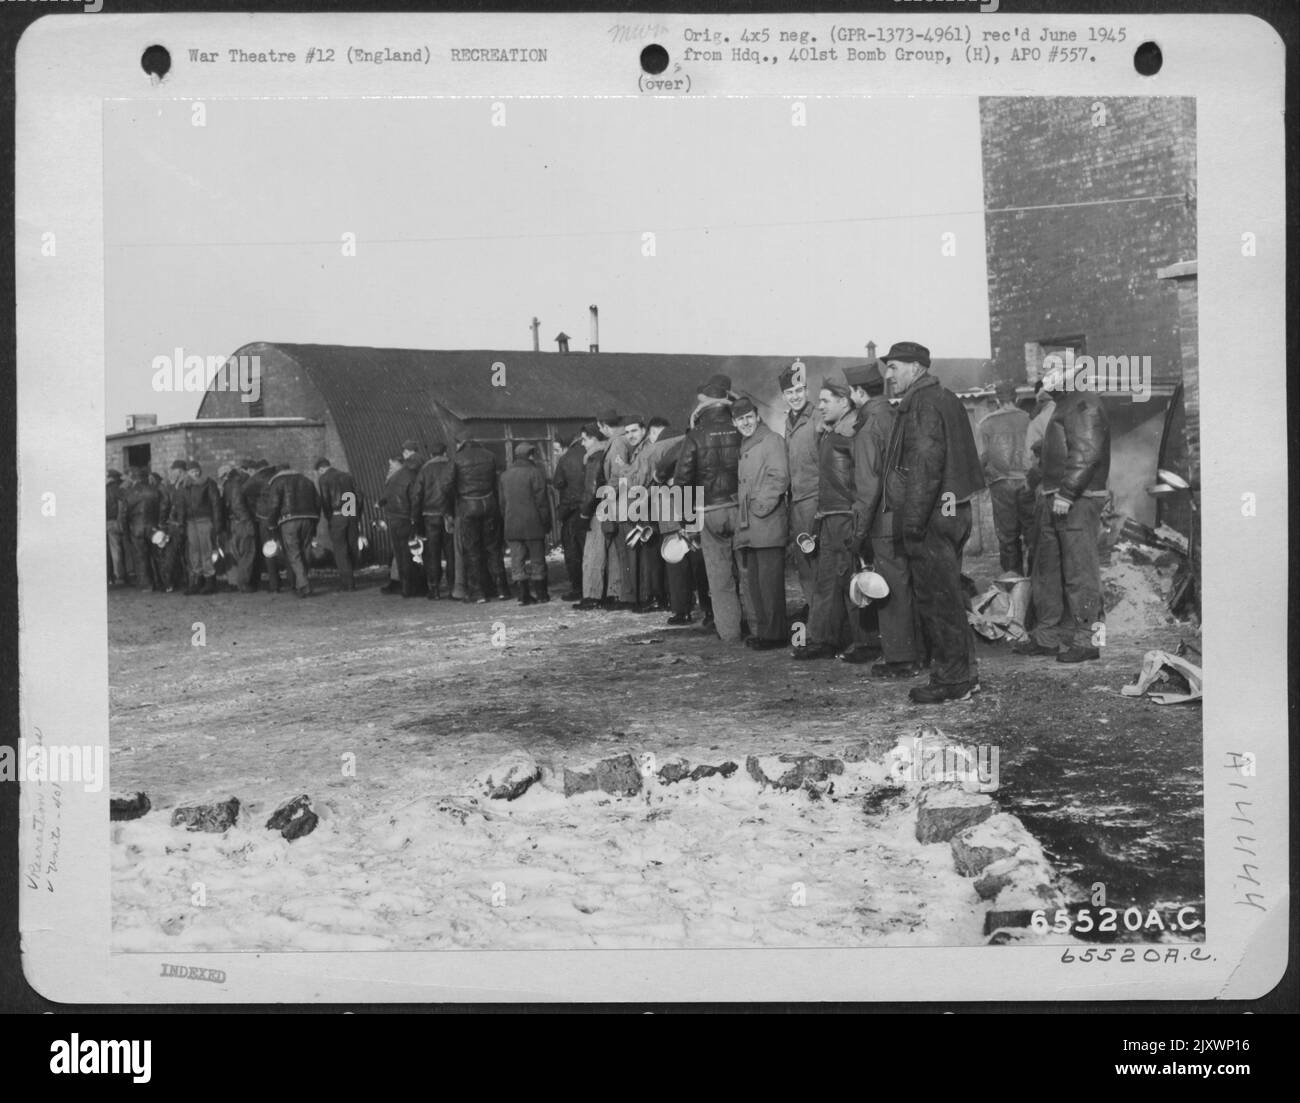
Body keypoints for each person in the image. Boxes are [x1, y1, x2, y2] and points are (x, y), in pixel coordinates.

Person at [880, 341, 986, 704]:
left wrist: (911, 521)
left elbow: (926, 464)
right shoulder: (946, 398)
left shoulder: (922, 404)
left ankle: (951, 679)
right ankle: (964, 674)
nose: (888, 374)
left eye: (894, 366)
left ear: (916, 367)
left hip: (933, 514)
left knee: (938, 598)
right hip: (954, 508)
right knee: (950, 594)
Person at [1014, 363, 1111, 663]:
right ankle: (1049, 636)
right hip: (1056, 496)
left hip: (1075, 499)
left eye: (1053, 372)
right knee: (1049, 571)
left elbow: (1087, 452)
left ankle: (1087, 641)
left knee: (1080, 572)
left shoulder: (1083, 402)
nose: (1045, 378)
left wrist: (1068, 493)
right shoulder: (1067, 403)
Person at [845, 362, 925, 676]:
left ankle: (901, 659)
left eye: (851, 392)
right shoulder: (893, 416)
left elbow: (867, 488)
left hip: (883, 520)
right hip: (905, 514)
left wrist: (857, 534)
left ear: (858, 393)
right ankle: (916, 653)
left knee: (889, 587)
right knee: (907, 584)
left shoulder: (867, 428)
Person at [793, 379, 860, 660]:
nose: (819, 406)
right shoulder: (833, 431)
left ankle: (864, 642)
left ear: (844, 401)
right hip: (830, 515)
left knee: (850, 580)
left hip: (846, 515)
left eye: (825, 401)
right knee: (826, 580)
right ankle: (822, 639)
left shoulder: (853, 432)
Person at [673, 381, 744, 642]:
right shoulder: (742, 428)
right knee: (746, 571)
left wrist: (686, 521)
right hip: (741, 509)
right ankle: (758, 627)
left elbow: (681, 481)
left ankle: (730, 632)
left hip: (709, 511)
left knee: (720, 577)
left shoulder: (695, 435)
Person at [733, 398, 790, 650]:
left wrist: (760, 507)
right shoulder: (748, 443)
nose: (745, 423)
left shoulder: (771, 440)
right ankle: (766, 632)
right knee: (757, 581)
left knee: (769, 583)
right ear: (734, 423)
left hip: (765, 521)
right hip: (751, 524)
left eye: (748, 417)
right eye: (739, 419)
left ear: (757, 416)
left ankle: (774, 635)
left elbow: (779, 476)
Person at [979, 380, 1034, 576]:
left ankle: (1014, 586)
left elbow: (982, 457)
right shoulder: (1029, 419)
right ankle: (1036, 584)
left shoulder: (986, 423)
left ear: (996, 399)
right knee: (1033, 536)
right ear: (1016, 397)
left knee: (1008, 539)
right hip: (1029, 483)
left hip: (1000, 485)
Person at [779, 363, 822, 619]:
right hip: (796, 502)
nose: (794, 396)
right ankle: (813, 605)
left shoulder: (817, 418)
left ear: (806, 390)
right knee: (803, 559)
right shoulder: (788, 421)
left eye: (798, 390)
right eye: (789, 392)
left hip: (815, 498)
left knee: (816, 557)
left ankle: (822, 610)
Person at [451, 430, 506, 603]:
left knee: (472, 550)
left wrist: (453, 503)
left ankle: (478, 592)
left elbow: (445, 485)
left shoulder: (457, 458)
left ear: (460, 443)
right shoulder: (489, 455)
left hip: (468, 506)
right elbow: (498, 482)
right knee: (493, 548)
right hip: (489, 505)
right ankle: (502, 589)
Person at [500, 442, 553, 604]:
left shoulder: (505, 475)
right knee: (537, 558)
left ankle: (523, 596)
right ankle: (542, 594)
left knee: (517, 559)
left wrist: (506, 519)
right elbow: (542, 502)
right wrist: (546, 523)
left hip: (512, 524)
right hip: (533, 524)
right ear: (530, 455)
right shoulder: (535, 473)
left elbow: (502, 504)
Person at [265, 464, 321, 598]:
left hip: (288, 520)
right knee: (306, 550)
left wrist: (271, 524)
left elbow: (274, 505)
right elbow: (318, 502)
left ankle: (303, 585)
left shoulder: (277, 482)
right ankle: (301, 582)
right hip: (309, 518)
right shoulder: (307, 480)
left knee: (294, 553)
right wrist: (315, 520)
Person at [574, 424, 613, 610]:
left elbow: (591, 489)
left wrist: (583, 513)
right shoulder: (607, 452)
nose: (583, 444)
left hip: (596, 511)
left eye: (585, 439)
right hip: (608, 508)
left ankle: (592, 595)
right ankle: (605, 594)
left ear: (595, 439)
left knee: (593, 554)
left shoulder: (594, 458)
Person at [170, 461, 225, 595]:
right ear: (187, 473)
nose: (195, 473)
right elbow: (181, 507)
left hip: (205, 520)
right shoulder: (183, 487)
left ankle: (209, 581)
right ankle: (197, 581)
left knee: (206, 550)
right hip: (190, 522)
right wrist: (182, 525)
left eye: (197, 471)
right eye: (192, 471)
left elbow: (216, 504)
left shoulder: (208, 483)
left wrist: (217, 524)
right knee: (194, 551)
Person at [409, 445, 453, 599]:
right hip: (448, 516)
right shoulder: (452, 465)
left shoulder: (425, 470)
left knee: (432, 554)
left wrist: (415, 519)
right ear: (445, 452)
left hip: (429, 517)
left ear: (430, 454)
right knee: (450, 553)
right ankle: (453, 588)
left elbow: (416, 496)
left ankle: (434, 590)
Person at [316, 457, 362, 593]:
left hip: (337, 515)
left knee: (340, 549)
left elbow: (325, 500)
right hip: (351, 514)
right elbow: (359, 495)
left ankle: (348, 583)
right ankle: (352, 575)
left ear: (321, 469)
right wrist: (356, 514)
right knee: (351, 545)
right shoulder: (347, 476)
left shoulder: (324, 479)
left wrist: (329, 517)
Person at [551, 430, 587, 601]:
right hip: (591, 509)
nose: (555, 454)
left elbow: (557, 482)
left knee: (573, 553)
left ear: (565, 446)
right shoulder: (587, 450)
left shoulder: (566, 459)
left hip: (572, 511)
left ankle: (578, 588)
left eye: (557, 450)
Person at [378, 454, 418, 597]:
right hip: (404, 518)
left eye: (391, 465)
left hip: (396, 518)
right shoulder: (408, 476)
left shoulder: (394, 477)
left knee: (401, 554)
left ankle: (401, 585)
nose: (390, 468)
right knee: (405, 553)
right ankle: (405, 585)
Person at [242, 460, 283, 593]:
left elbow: (245, 489)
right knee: (286, 548)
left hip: (265, 516)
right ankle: (294, 582)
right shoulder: (278, 474)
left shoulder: (260, 476)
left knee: (268, 549)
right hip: (282, 516)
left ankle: (274, 584)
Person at [121, 467, 164, 591]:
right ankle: (160, 582)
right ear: (146, 477)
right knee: (156, 555)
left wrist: (126, 533)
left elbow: (124, 515)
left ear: (134, 479)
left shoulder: (129, 493)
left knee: (141, 556)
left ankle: (146, 585)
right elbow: (163, 507)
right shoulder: (155, 491)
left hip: (136, 528)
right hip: (153, 527)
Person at [106, 469, 128, 586]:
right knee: (116, 550)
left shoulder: (104, 490)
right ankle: (119, 575)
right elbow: (123, 506)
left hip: (105, 521)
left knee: (107, 552)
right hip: (115, 522)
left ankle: (110, 577)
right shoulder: (119, 491)